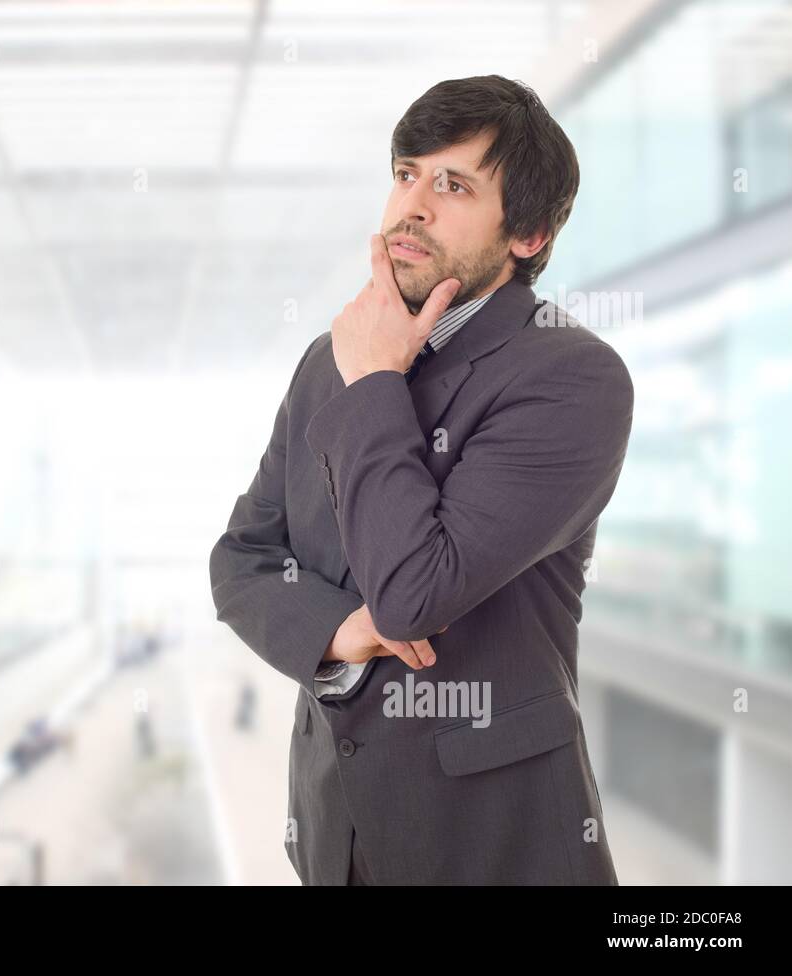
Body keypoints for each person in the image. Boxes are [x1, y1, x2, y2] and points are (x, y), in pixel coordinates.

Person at [209, 76, 632, 885]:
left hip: (495, 846)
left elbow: (412, 596)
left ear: (530, 232)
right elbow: (238, 561)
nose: (412, 205)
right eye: (406, 173)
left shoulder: (572, 378)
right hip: (335, 837)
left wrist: (374, 382)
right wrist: (338, 634)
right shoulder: (329, 360)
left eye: (453, 185)